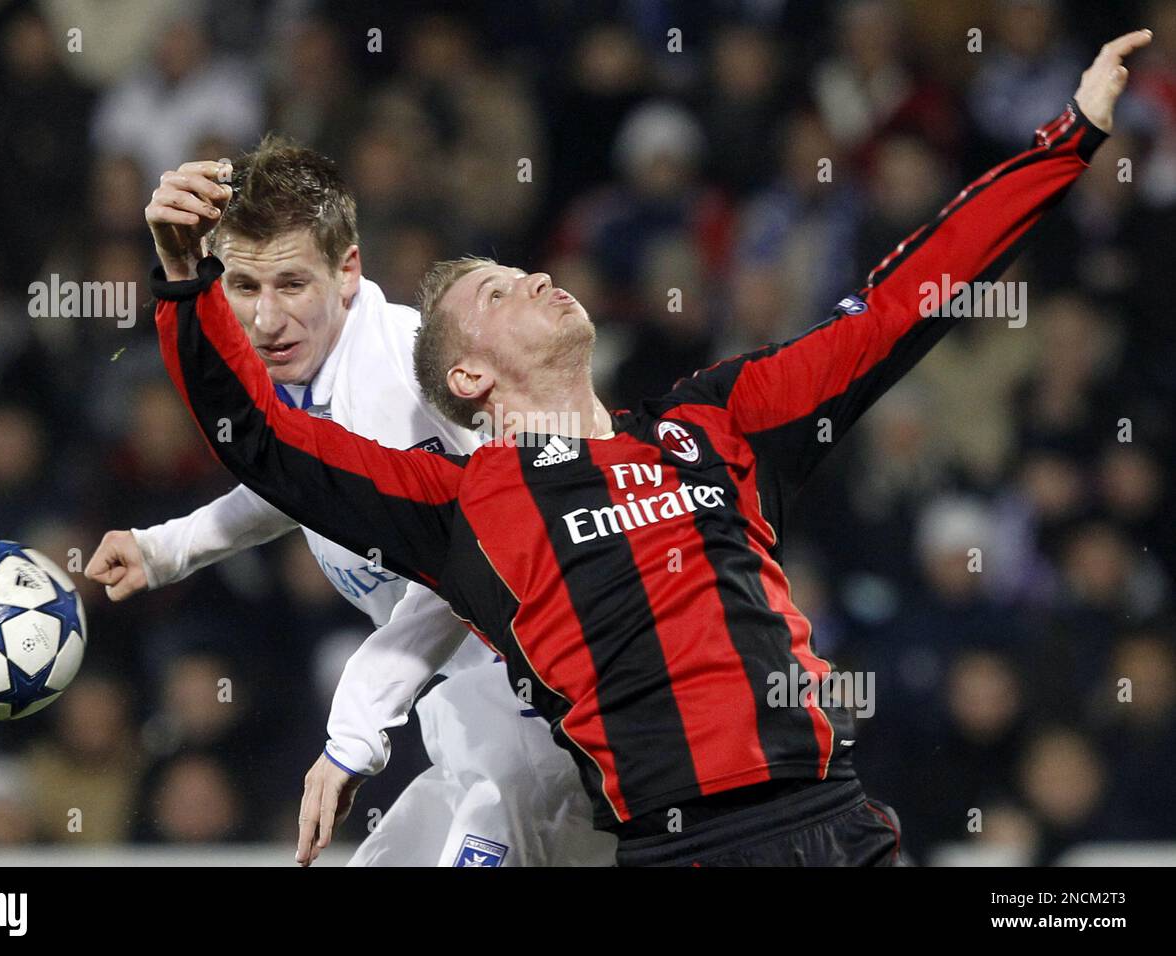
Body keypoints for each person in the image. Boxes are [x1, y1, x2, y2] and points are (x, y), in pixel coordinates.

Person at [148, 32, 1149, 866]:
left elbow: (902, 302)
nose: (534, 277)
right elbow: (263, 443)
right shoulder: (458, 503)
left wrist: (1069, 137)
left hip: (839, 824)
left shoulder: (716, 422)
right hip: (683, 849)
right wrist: (189, 285)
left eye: (525, 268)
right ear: (468, 379)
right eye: (495, 291)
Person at [86, 139, 616, 866]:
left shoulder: (410, 375)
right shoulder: (311, 372)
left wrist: (356, 731)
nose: (267, 320)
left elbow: (482, 553)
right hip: (475, 712)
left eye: (292, 284)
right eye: (243, 287)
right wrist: (168, 548)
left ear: (348, 272)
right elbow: (308, 484)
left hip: (548, 705)